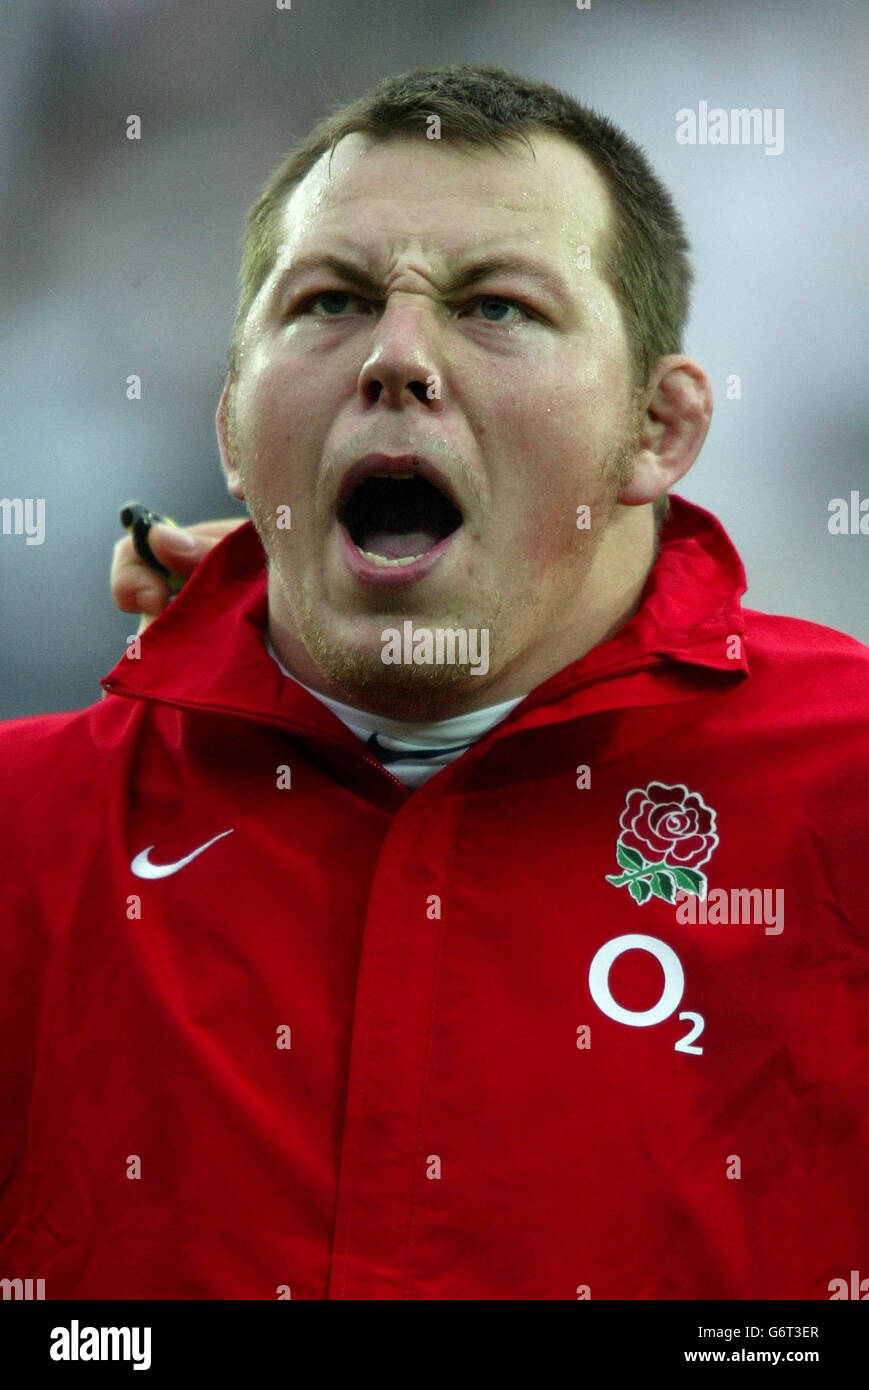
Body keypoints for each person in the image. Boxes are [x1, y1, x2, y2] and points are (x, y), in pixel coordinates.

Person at [2, 63, 867, 1302]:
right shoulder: (28, 839)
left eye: (496, 307)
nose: (397, 359)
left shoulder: (846, 798)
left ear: (656, 430)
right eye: (333, 302)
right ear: (235, 426)